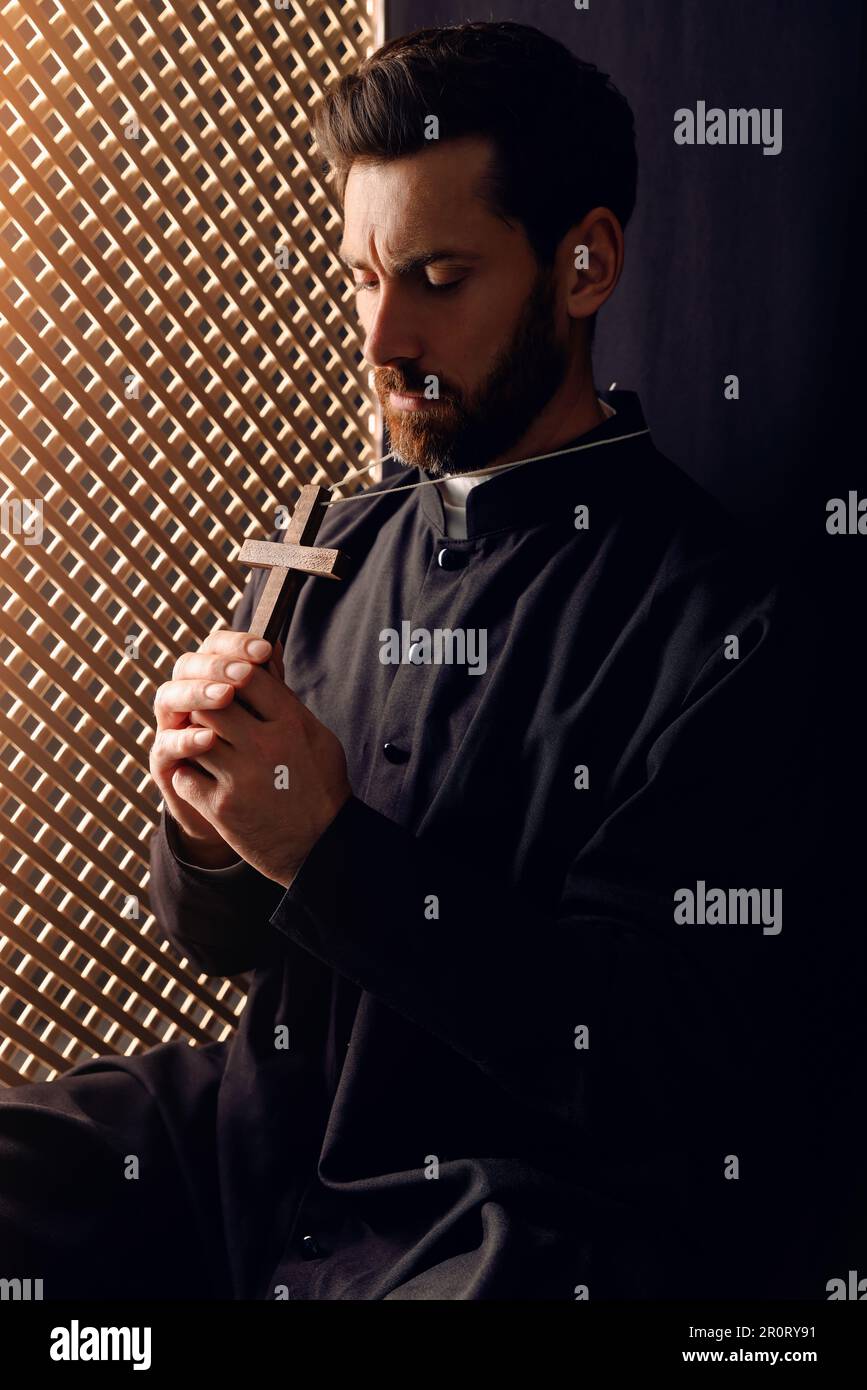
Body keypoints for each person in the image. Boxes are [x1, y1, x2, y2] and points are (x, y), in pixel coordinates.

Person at [0, 20, 825, 1300]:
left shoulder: (724, 624)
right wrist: (211, 827)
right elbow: (213, 938)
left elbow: (650, 1058)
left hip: (493, 1217)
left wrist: (327, 849)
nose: (383, 337)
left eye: (438, 279)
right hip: (255, 1140)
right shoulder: (330, 540)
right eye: (361, 278)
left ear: (585, 265)